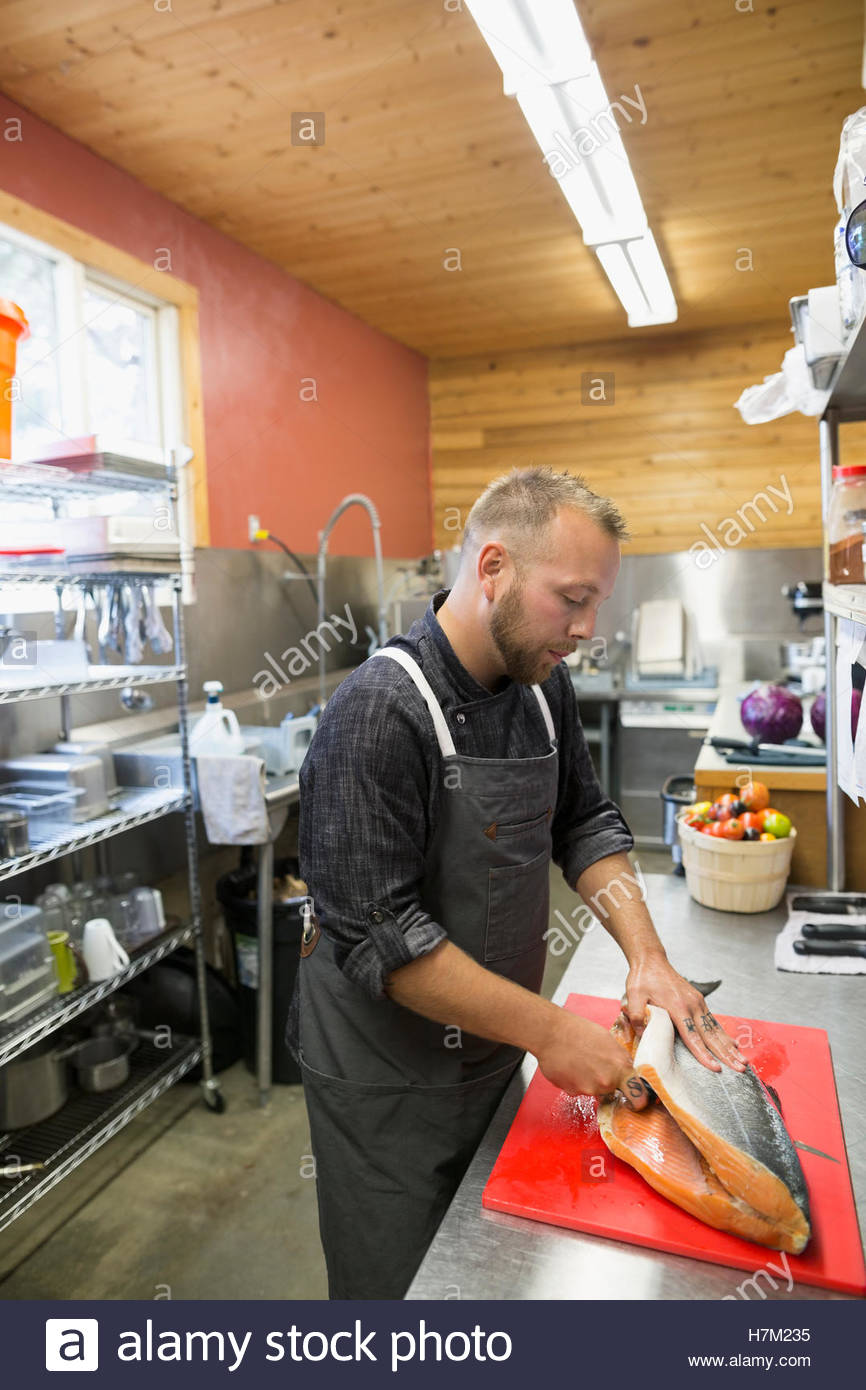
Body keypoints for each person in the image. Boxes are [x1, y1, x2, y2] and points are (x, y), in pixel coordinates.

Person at [288, 466, 745, 1300]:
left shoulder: (541, 686)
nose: (586, 628)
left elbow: (585, 822)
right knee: (398, 1293)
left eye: (597, 603)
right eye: (571, 598)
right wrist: (552, 1033)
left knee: (483, 1279)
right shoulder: (379, 713)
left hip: (494, 1049)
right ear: (491, 567)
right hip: (387, 1080)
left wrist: (647, 958)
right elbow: (388, 940)